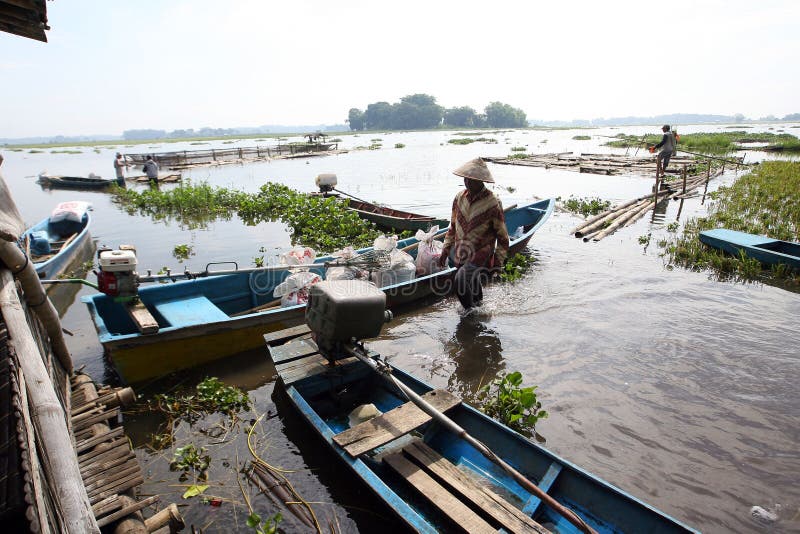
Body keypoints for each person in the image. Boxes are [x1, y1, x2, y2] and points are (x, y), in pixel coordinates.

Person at [438, 158, 510, 310]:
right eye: (466, 179)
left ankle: (471, 316)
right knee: (473, 283)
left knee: (460, 281)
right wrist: (445, 250)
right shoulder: (459, 198)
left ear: (481, 181)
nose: (468, 183)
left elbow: (503, 237)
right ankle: (479, 307)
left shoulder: (492, 202)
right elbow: (452, 227)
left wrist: (497, 262)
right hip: (461, 251)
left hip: (481, 252)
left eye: (472, 180)